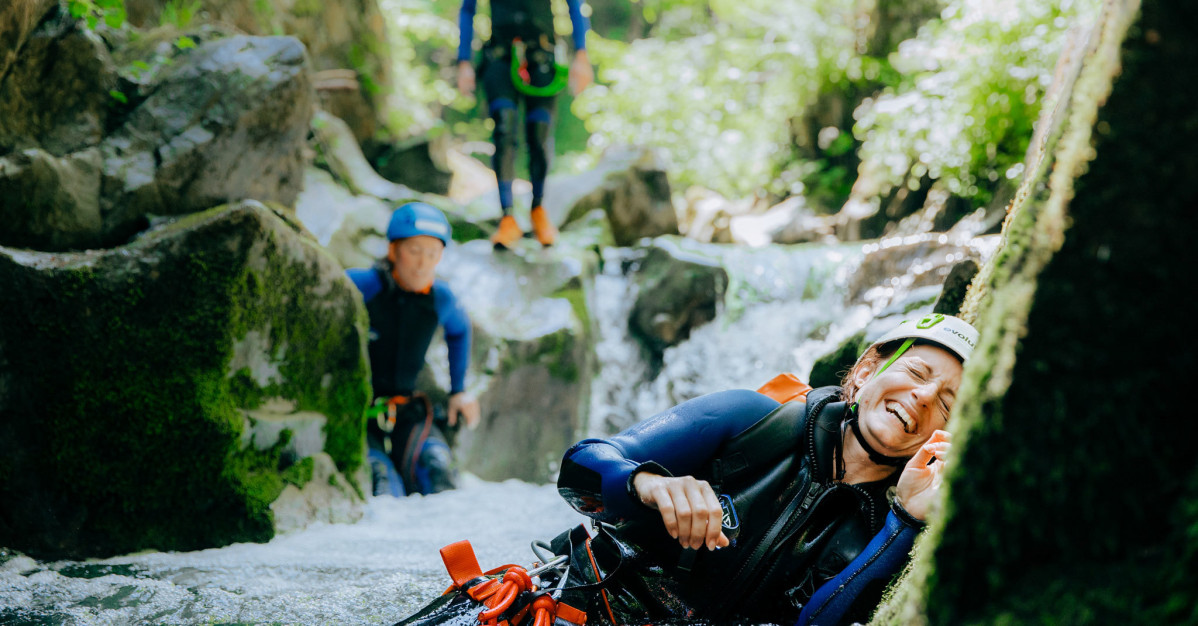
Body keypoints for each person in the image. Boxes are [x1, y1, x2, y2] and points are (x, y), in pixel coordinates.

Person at [395, 313, 976, 626]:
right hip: (573, 611)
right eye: (917, 373)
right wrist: (651, 484)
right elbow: (580, 467)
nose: (923, 399)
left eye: (947, 403)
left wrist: (902, 522)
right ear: (869, 368)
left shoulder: (906, 517)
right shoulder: (755, 417)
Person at [347, 202, 480, 497]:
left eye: (432, 254)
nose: (423, 263)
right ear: (393, 251)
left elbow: (460, 331)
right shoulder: (364, 285)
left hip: (406, 410)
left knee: (439, 471)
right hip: (357, 411)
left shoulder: (440, 298)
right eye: (414, 251)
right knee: (382, 485)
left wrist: (458, 390)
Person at [456, 0, 594, 249]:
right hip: (500, 56)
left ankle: (538, 210)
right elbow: (468, 8)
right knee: (504, 130)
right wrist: (463, 60)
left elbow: (576, 4)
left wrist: (581, 54)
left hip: (542, 58)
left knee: (539, 135)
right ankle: (507, 217)